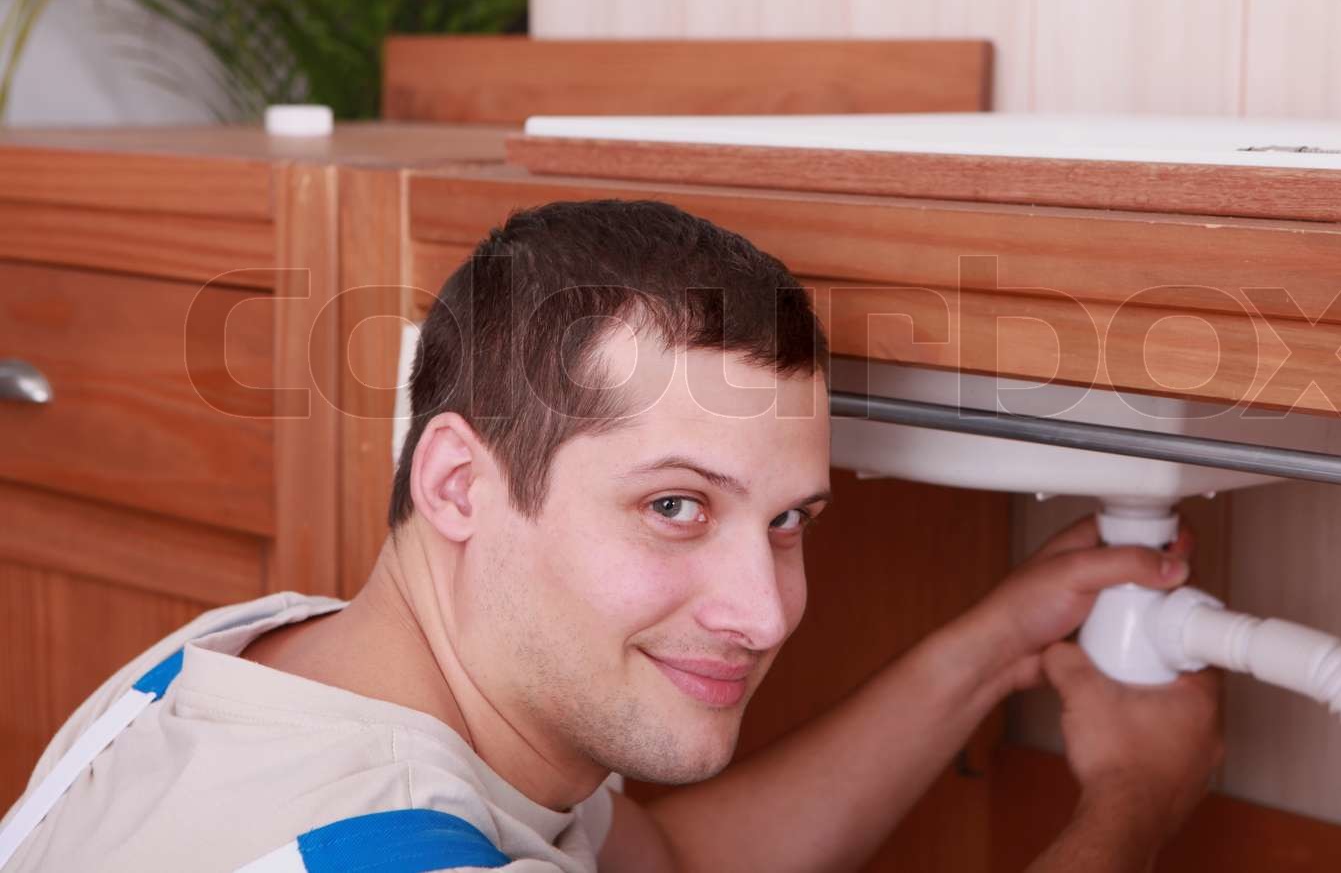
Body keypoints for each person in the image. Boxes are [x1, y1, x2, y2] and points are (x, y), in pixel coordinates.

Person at [0, 200, 1220, 872]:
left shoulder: (239, 666)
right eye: (674, 506)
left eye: (787, 519)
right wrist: (1134, 799)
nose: (765, 611)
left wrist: (991, 645)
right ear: (459, 483)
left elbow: (672, 860)